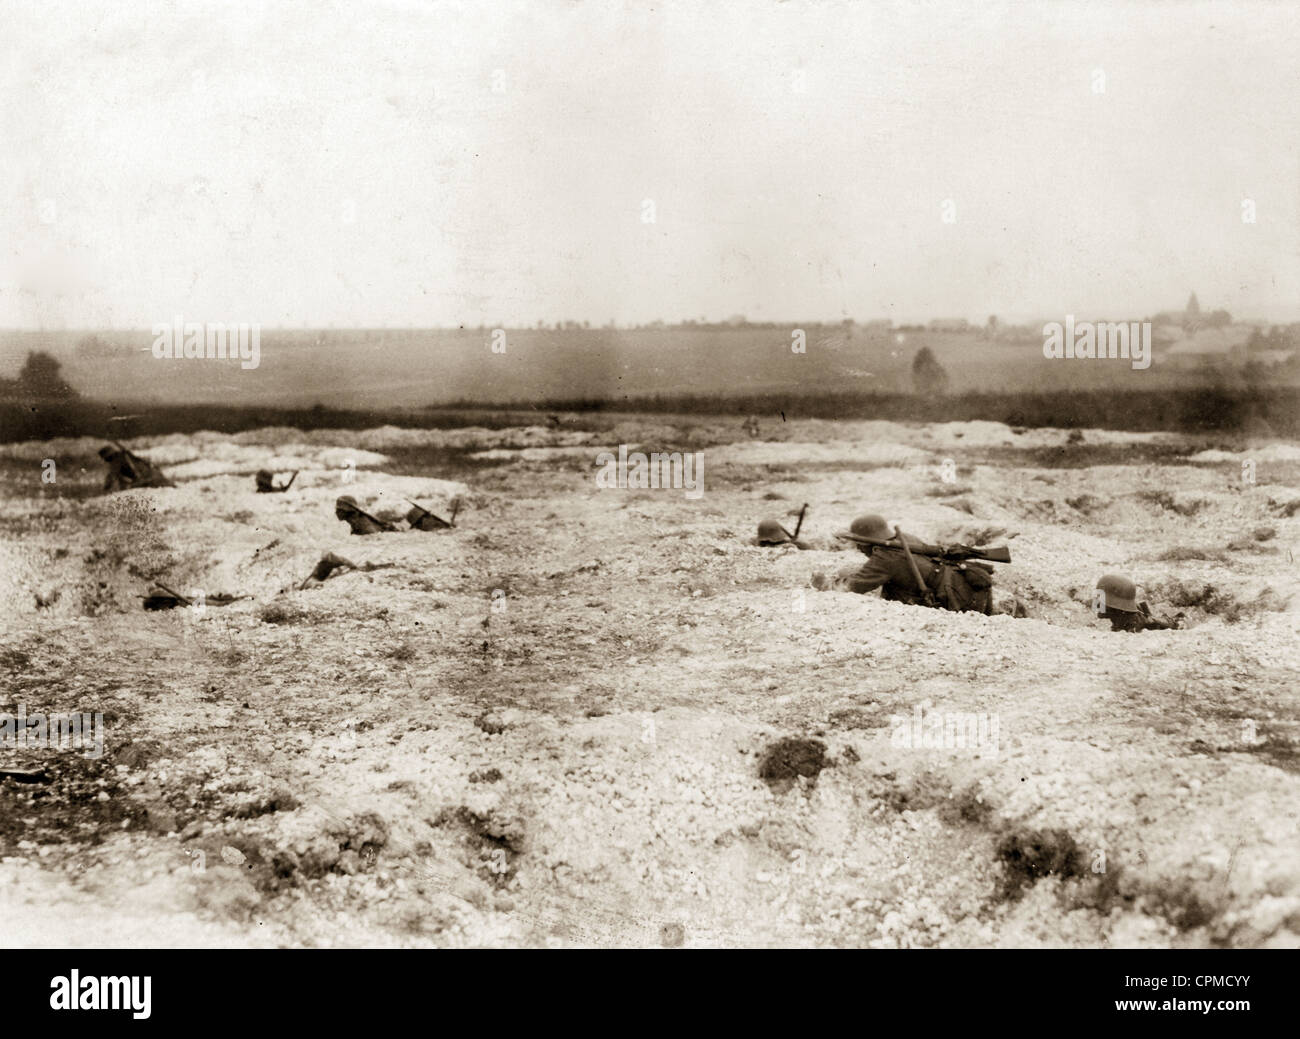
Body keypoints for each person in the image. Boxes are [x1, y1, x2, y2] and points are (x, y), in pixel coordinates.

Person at [829, 513, 995, 613]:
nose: (858, 548)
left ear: (866, 542)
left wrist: (825, 584)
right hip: (967, 589)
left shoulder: (885, 558)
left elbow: (852, 588)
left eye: (859, 543)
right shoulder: (905, 539)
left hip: (956, 600)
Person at [1094, 574, 1180, 631]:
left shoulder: (1131, 625)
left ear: (1115, 605)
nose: (1097, 604)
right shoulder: (1119, 613)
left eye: (1102, 600)